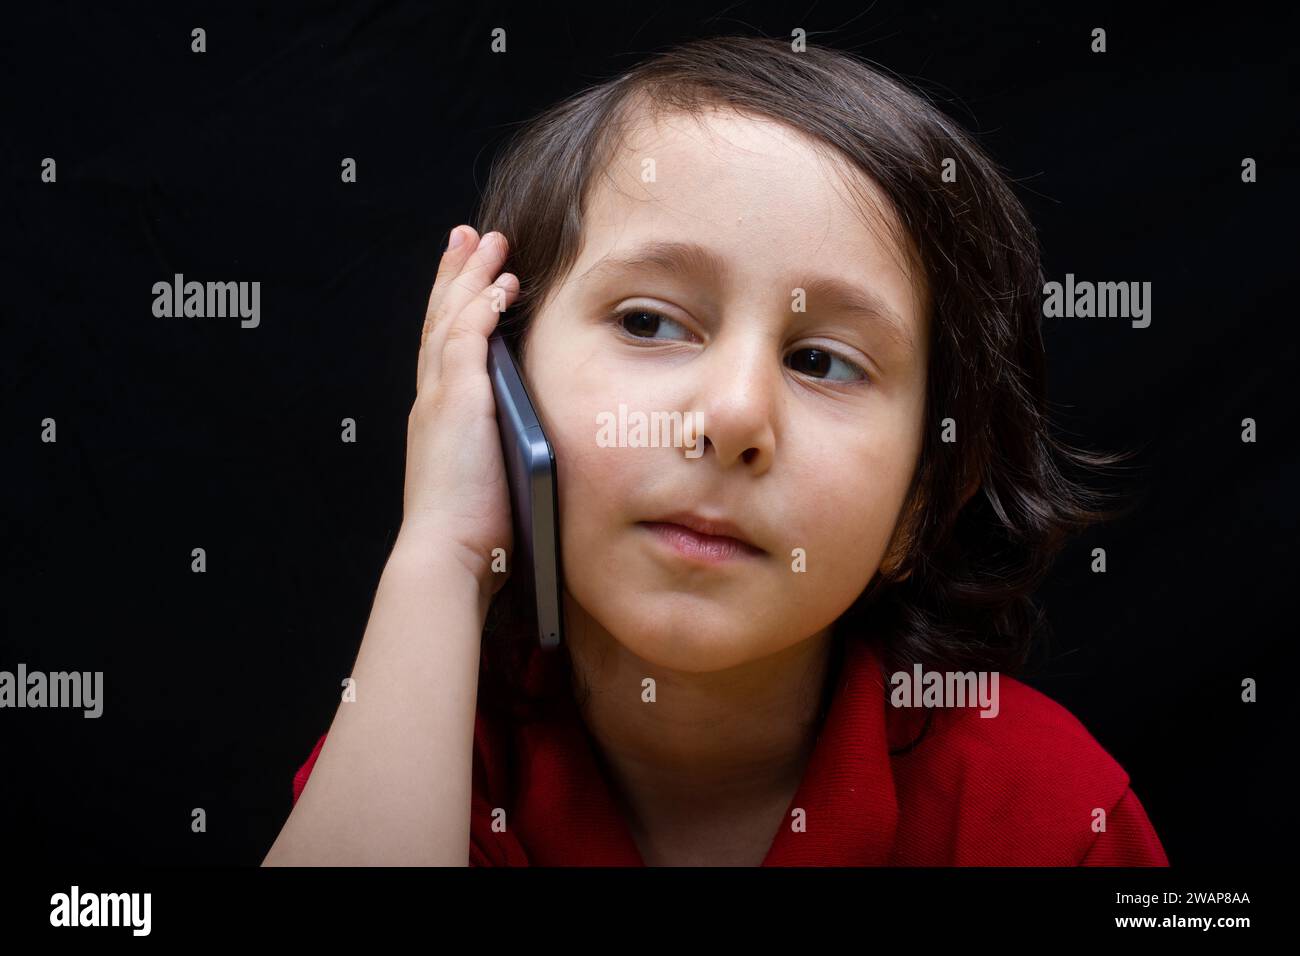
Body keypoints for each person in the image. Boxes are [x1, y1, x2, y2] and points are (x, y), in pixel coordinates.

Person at [263, 35, 1168, 867]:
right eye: (650, 322)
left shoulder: (1044, 814)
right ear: (500, 390)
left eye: (822, 362)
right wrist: (445, 557)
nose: (734, 416)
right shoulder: (417, 741)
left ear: (922, 501)